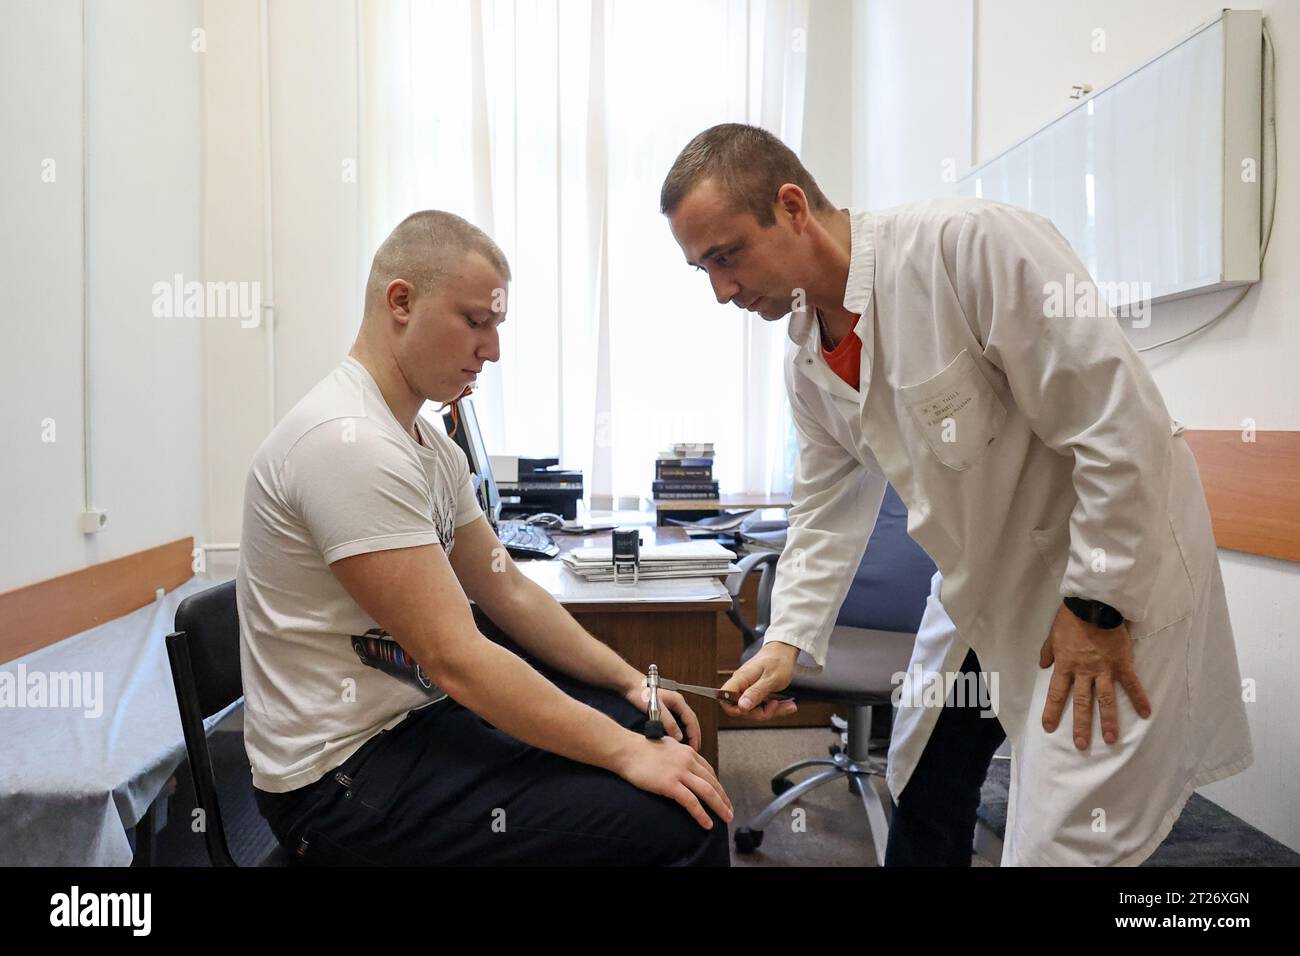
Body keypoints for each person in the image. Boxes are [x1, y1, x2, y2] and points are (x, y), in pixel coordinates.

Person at [659, 123, 1252, 866]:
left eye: (726, 255)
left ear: (791, 207)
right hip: (981, 586)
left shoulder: (969, 248)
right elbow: (825, 501)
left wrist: (1098, 606)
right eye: (701, 270)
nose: (721, 291)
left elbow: (1119, 422)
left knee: (1063, 840)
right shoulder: (808, 357)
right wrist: (788, 639)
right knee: (923, 775)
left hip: (1107, 571)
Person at [238, 210, 732, 866]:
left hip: (410, 726)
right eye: (476, 322)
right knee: (683, 821)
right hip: (340, 782)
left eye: (496, 326)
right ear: (402, 302)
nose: (492, 349)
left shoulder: (432, 453)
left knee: (643, 729)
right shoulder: (345, 443)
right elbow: (456, 658)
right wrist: (628, 754)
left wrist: (627, 683)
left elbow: (510, 593)